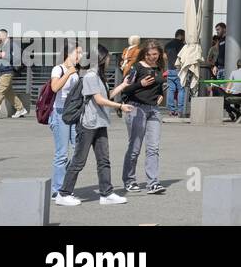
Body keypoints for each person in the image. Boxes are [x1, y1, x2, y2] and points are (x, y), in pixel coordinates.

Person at [55, 48, 134, 206]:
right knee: (79, 160)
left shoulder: (98, 76)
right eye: (108, 57)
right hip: (88, 124)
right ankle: (63, 194)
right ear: (101, 58)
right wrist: (120, 106)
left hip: (100, 123)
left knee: (104, 160)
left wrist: (123, 85)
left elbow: (106, 96)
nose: (109, 60)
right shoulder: (90, 75)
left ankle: (106, 193)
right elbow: (98, 100)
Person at [117, 40, 166, 194]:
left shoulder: (159, 67)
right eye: (149, 55)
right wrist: (140, 84)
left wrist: (161, 95)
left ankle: (153, 182)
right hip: (136, 108)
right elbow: (125, 90)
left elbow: (159, 85)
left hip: (154, 110)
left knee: (153, 148)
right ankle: (129, 180)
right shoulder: (136, 68)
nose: (152, 57)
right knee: (135, 147)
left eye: (155, 54)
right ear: (144, 54)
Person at [48, 43, 83, 197]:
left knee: (77, 151)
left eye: (81, 53)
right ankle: (57, 190)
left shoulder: (76, 72)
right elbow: (55, 88)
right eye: (78, 53)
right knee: (61, 154)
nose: (80, 56)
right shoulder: (59, 69)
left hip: (73, 114)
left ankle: (65, 184)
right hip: (59, 112)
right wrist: (68, 72)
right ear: (68, 53)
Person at [0, 28, 28, 118]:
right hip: (2, 72)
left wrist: (3, 55)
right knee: (9, 93)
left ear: (5, 35)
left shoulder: (12, 44)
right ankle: (21, 109)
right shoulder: (1, 45)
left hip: (8, 72)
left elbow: (17, 58)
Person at [163, 29, 185, 117]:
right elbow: (183, 58)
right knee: (181, 89)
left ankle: (171, 110)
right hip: (179, 69)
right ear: (181, 35)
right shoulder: (182, 45)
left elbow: (164, 56)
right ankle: (180, 110)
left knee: (171, 90)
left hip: (170, 69)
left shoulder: (168, 44)